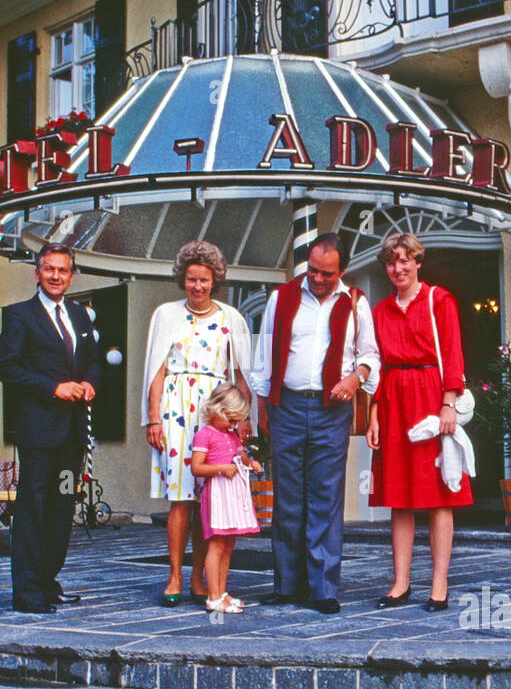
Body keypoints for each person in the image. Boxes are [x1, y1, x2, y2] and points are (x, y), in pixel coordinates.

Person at [247, 234, 379, 615]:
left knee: (325, 497)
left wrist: (355, 379)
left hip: (331, 409)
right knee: (288, 498)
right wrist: (263, 411)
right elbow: (265, 358)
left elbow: (369, 353)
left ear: (343, 270)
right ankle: (288, 585)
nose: (318, 279)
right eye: (313, 271)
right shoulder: (281, 298)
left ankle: (323, 588)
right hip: (287, 406)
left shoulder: (354, 302)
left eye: (327, 274)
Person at [142, 241, 253, 607]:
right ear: (182, 279)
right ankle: (174, 575)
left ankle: (199, 577)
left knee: (210, 498)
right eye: (191, 279)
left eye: (204, 280)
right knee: (180, 497)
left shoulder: (230, 318)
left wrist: (243, 419)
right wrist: (153, 418)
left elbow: (241, 375)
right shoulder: (166, 315)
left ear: (215, 280)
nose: (198, 286)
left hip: (215, 410)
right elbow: (155, 370)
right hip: (175, 408)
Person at [366, 232, 471, 612]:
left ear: (417, 261)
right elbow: (376, 367)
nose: (398, 268)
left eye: (405, 260)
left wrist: (448, 404)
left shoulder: (438, 300)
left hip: (430, 397)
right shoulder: (380, 311)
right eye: (392, 262)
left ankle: (439, 584)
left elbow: (454, 353)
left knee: (438, 496)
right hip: (394, 399)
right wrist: (374, 416)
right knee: (399, 498)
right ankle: (400, 582)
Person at [0, 242, 102, 613]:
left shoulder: (81, 315)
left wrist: (91, 382)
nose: (56, 276)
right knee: (34, 508)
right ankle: (27, 591)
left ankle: (48, 579)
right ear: (37, 273)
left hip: (72, 435)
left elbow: (94, 362)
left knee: (62, 505)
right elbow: (7, 368)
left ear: (72, 276)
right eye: (49, 269)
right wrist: (53, 388)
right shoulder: (19, 315)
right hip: (39, 433)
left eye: (63, 270)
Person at [190, 384, 263, 614]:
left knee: (228, 545)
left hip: (233, 494)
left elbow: (240, 455)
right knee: (217, 543)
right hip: (217, 495)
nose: (233, 426)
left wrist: (251, 463)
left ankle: (221, 592)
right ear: (217, 411)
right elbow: (196, 467)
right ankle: (212, 596)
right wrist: (221, 468)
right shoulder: (205, 434)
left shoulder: (231, 435)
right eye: (231, 420)